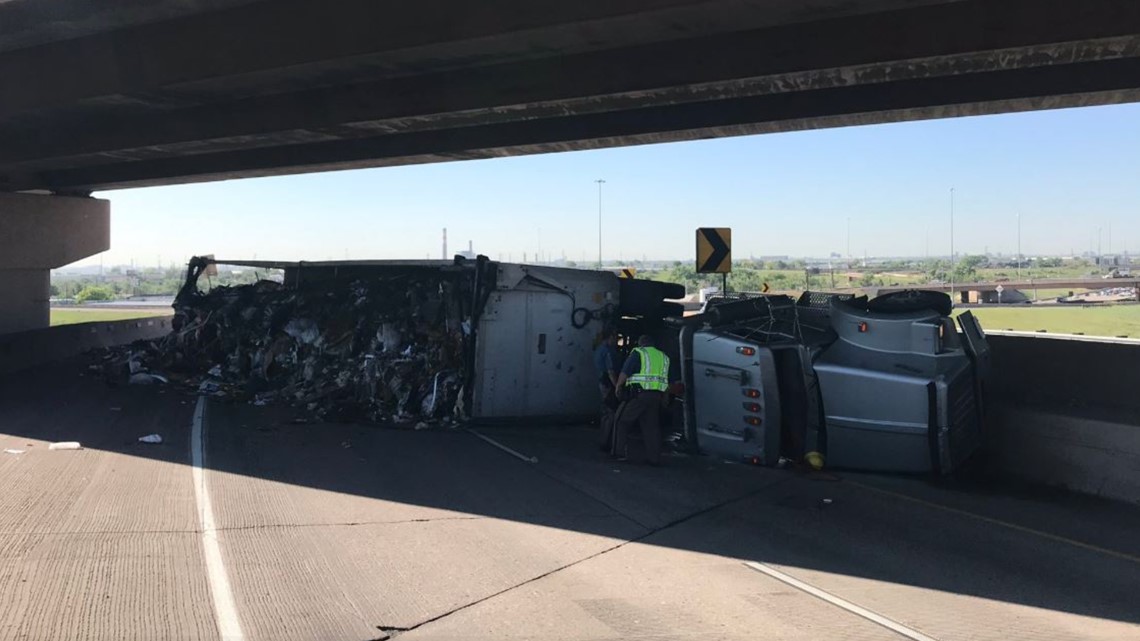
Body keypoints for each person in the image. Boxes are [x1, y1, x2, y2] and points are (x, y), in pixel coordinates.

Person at [611, 334, 671, 465]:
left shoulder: (639, 353)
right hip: (656, 396)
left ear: (641, 343)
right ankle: (653, 458)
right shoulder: (663, 357)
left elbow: (625, 372)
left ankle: (619, 453)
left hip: (639, 395)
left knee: (621, 420)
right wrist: (665, 398)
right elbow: (666, 380)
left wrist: (618, 386)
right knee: (651, 427)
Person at [594, 329, 621, 450]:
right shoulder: (608, 352)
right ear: (610, 337)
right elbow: (610, 371)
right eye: (615, 338)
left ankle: (603, 439)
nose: (616, 341)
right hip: (608, 384)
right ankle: (606, 441)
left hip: (602, 382)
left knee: (605, 412)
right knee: (611, 413)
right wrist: (617, 386)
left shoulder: (599, 350)